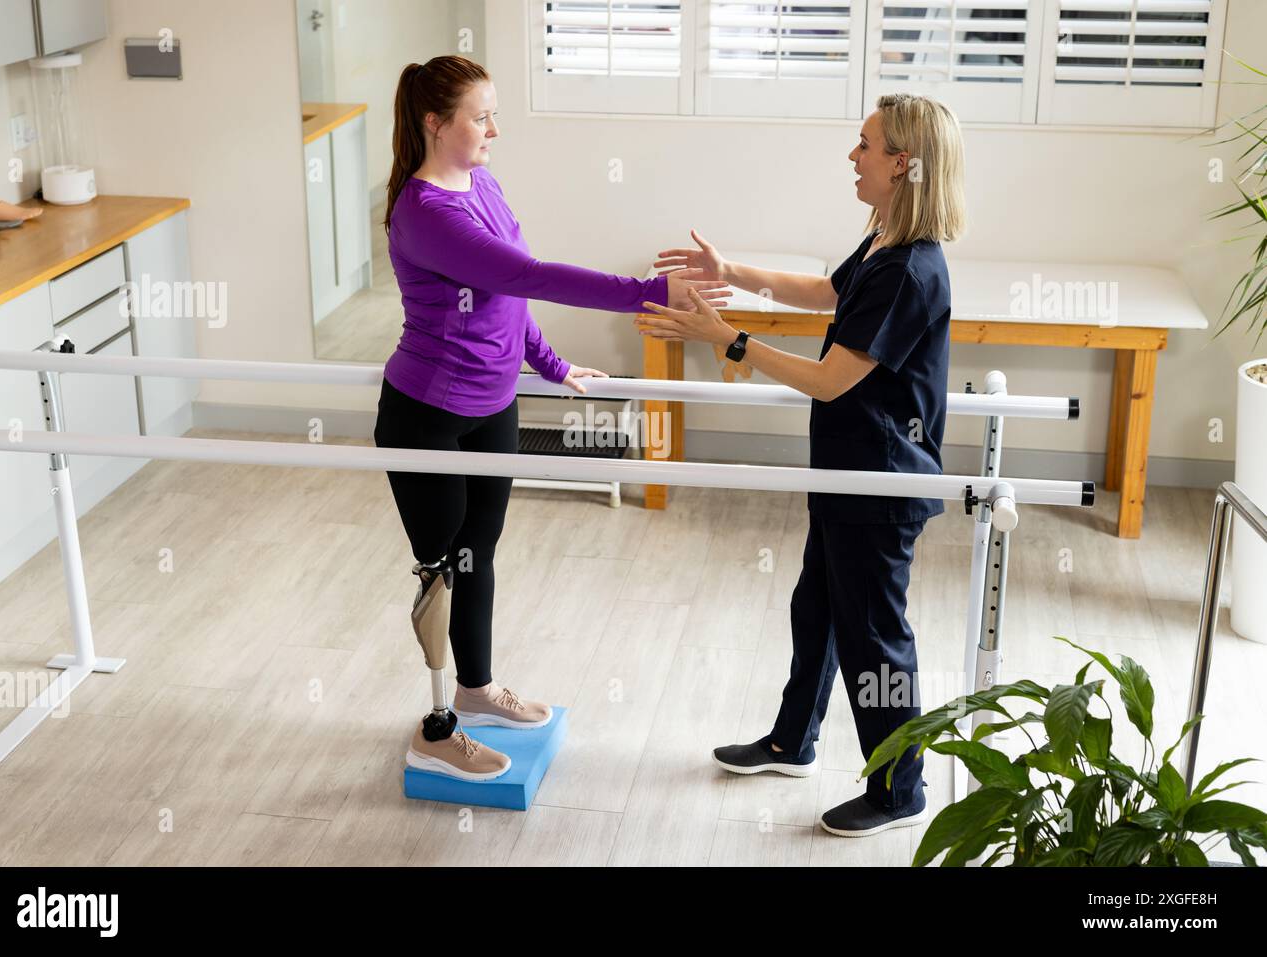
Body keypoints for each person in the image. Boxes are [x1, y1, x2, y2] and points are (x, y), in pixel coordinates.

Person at [375, 55, 730, 782]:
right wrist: (647, 290)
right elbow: (529, 276)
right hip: (426, 416)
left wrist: (551, 363)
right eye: (481, 116)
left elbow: (511, 295)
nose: (494, 129)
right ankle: (437, 728)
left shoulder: (483, 185)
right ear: (435, 123)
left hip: (492, 405)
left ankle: (474, 689)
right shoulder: (424, 212)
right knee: (441, 572)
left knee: (480, 557)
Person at [638, 93, 965, 836]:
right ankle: (793, 739)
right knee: (815, 609)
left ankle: (899, 788)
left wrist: (732, 341)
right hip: (844, 471)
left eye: (865, 145)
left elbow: (829, 379)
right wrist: (733, 270)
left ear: (903, 163)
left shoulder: (912, 269)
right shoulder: (884, 239)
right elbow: (825, 292)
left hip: (878, 482)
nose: (853, 156)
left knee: (874, 638)